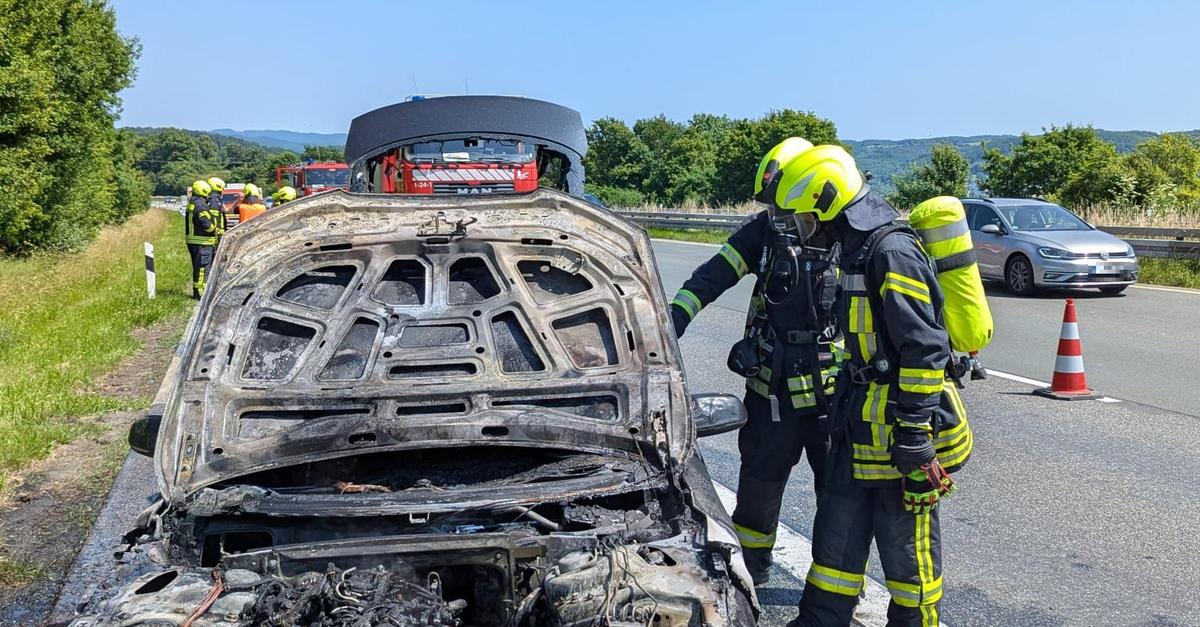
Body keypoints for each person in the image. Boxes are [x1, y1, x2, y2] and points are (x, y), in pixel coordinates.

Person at [772, 146, 973, 627]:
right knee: (835, 542)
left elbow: (925, 350)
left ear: (826, 200)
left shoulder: (892, 251)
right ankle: (820, 620)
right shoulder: (857, 249)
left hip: (901, 431)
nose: (802, 228)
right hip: (858, 426)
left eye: (803, 217)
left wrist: (914, 437)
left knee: (908, 556)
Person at [668, 138, 841, 586]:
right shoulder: (760, 233)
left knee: (839, 497)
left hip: (833, 397)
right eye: (770, 207)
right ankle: (752, 574)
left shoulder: (851, 239)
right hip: (771, 390)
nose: (776, 217)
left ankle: (832, 593)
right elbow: (710, 278)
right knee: (758, 489)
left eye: (782, 207)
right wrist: (669, 325)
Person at [184, 179, 222, 299]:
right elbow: (206, 224)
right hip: (202, 242)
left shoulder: (193, 203)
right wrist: (214, 230)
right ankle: (201, 295)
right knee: (202, 269)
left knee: (197, 268)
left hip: (193, 241)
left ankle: (196, 292)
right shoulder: (201, 206)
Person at [206, 177, 229, 241]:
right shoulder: (214, 200)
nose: (223, 190)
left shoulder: (212, 199)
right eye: (222, 188)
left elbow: (226, 210)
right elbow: (214, 217)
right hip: (217, 234)